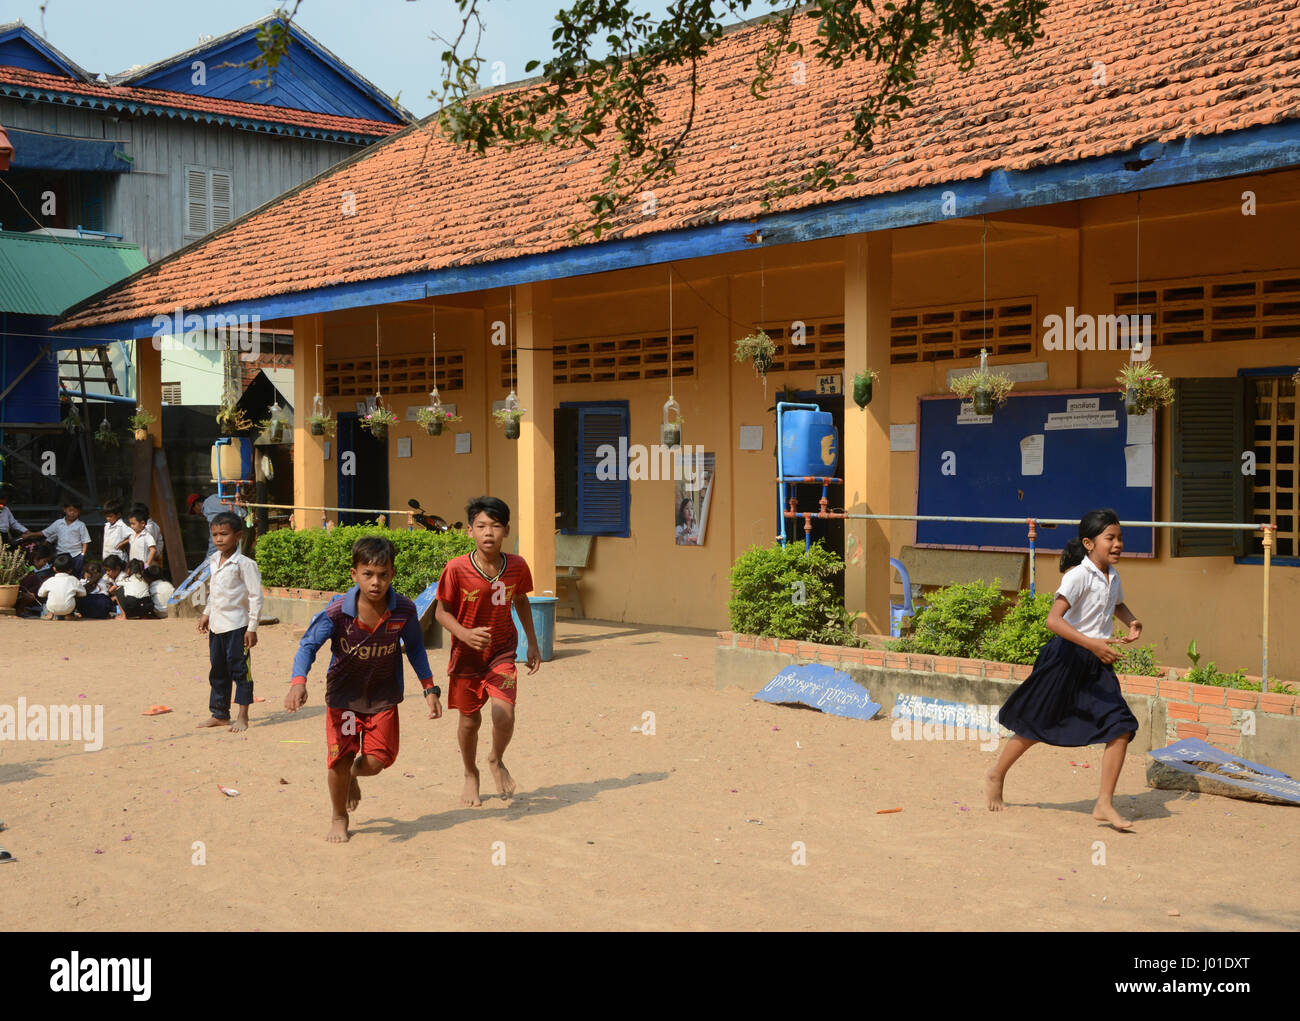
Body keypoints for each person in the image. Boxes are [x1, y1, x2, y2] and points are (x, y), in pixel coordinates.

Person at [985, 509, 1142, 831]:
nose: (1117, 544)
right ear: (1089, 543)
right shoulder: (1078, 576)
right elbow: (1053, 621)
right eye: (1109, 538)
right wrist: (1092, 644)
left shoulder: (1113, 576)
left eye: (1119, 538)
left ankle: (1104, 803)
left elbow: (1117, 604)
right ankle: (996, 773)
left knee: (1121, 726)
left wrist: (1132, 621)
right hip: (1065, 659)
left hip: (1096, 664)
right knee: (1035, 725)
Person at [284, 536, 442, 843]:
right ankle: (339, 816)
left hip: (382, 698)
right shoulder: (338, 612)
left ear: (392, 574)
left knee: (376, 763)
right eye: (368, 574)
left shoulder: (404, 610)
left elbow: (416, 648)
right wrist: (298, 682)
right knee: (339, 759)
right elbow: (308, 645)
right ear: (354, 574)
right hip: (343, 698)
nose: (376, 582)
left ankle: (353, 776)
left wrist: (429, 688)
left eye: (383, 574)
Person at [435, 496, 540, 807]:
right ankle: (470, 773)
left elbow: (520, 600)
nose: (488, 532)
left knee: (504, 713)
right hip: (466, 659)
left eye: (495, 525)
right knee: (470, 722)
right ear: (470, 531)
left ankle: (496, 758)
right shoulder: (456, 569)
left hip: (502, 652)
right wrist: (465, 634)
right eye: (481, 526)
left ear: (506, 529)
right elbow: (441, 612)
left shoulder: (518, 566)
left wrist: (531, 642)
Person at [197, 511, 262, 732]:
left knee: (241, 670)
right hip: (217, 626)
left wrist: (252, 627)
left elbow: (255, 596)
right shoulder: (214, 560)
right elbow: (214, 592)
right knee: (218, 670)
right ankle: (220, 713)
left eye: (224, 534)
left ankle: (243, 715)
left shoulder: (244, 564)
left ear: (238, 536)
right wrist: (206, 613)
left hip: (238, 627)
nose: (219, 539)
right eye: (215, 534)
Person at [25, 502, 90, 578]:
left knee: (75, 575)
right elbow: (45, 532)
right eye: (70, 510)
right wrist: (30, 534)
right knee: (60, 575)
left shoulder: (80, 525)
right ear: (65, 510)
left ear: (79, 512)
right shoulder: (58, 523)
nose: (72, 513)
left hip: (76, 555)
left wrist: (82, 555)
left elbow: (85, 541)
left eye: (75, 511)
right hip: (61, 553)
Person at [37, 553, 85, 620]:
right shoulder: (73, 580)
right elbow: (83, 593)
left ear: (54, 568)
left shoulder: (50, 580)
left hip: (52, 607)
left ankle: (50, 614)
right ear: (71, 570)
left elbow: (40, 594)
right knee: (75, 594)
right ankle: (69, 615)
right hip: (69, 608)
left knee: (47, 593)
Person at [15, 542, 54, 617]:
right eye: (44, 561)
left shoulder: (37, 573)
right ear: (36, 559)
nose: (45, 564)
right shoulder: (24, 571)